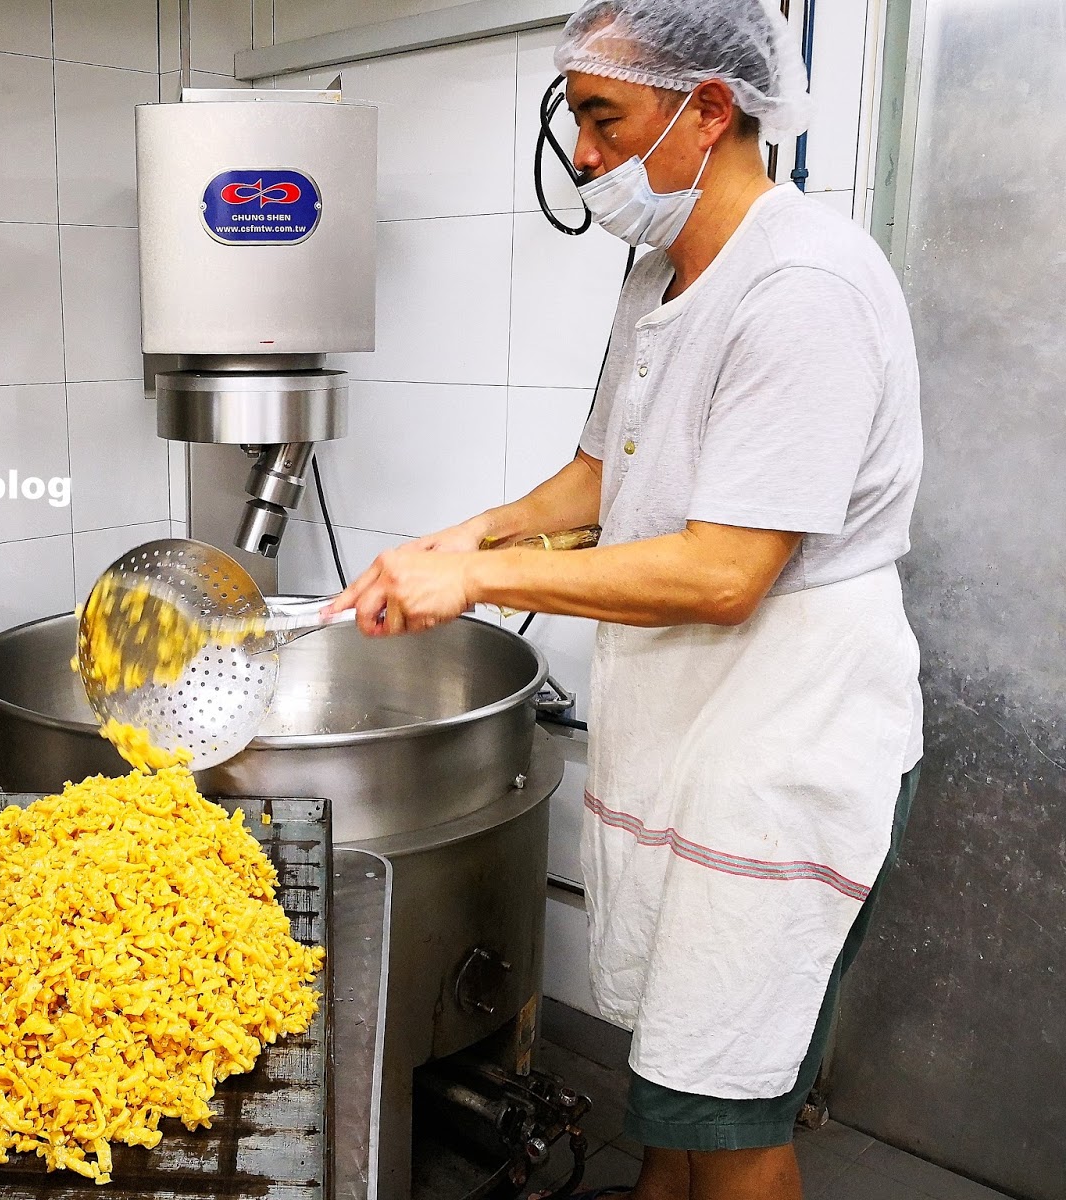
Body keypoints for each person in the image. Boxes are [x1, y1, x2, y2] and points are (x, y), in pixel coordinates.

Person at [325, 1, 924, 1197]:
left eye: (605, 119)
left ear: (708, 108)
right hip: (686, 732)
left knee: (734, 1108)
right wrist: (474, 528)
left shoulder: (802, 287)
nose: (585, 156)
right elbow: (610, 471)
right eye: (580, 120)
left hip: (781, 742)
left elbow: (721, 570)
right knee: (676, 1064)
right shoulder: (662, 271)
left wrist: (479, 578)